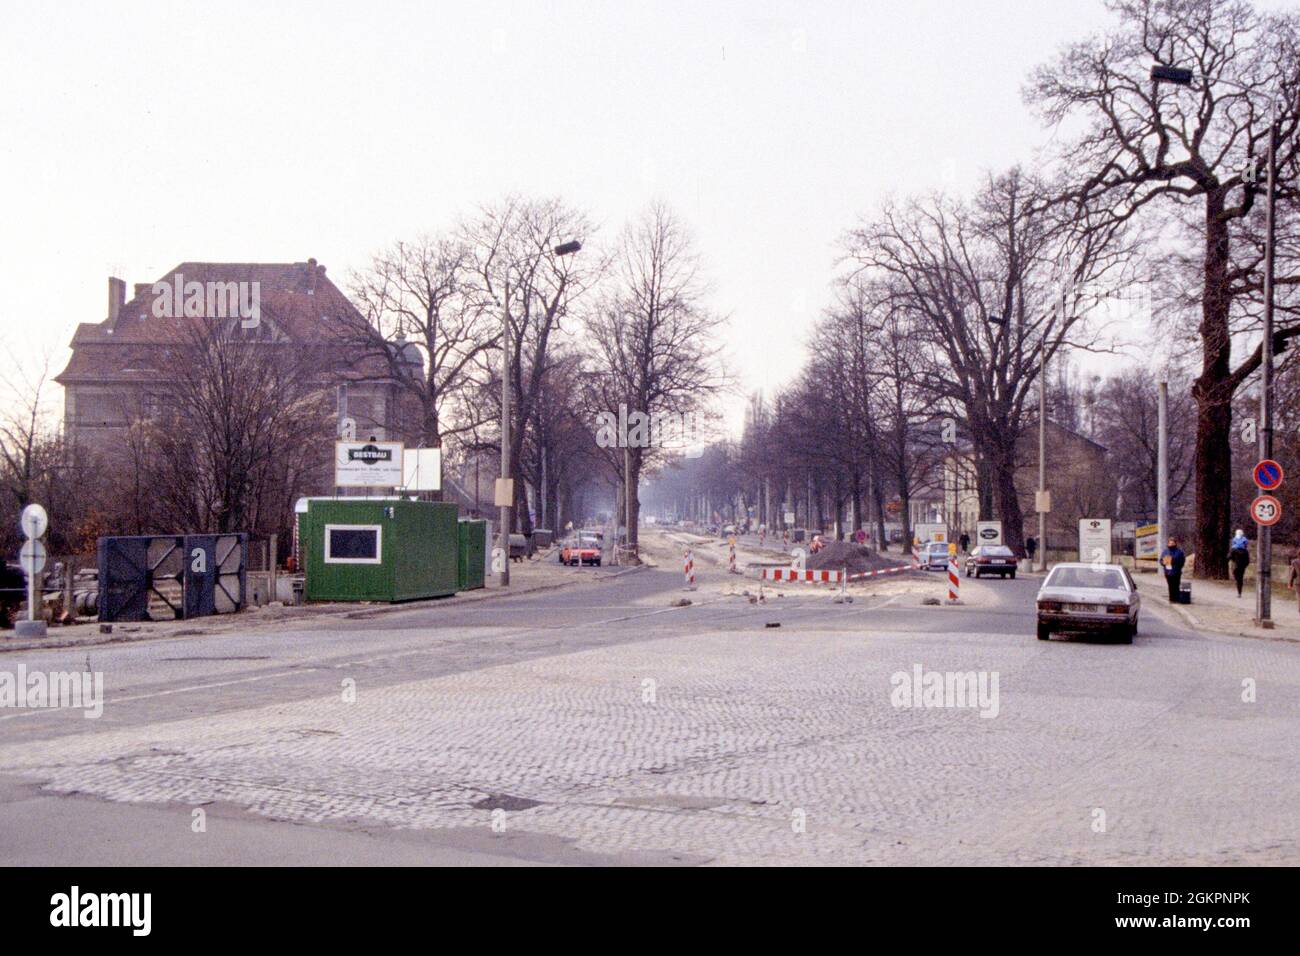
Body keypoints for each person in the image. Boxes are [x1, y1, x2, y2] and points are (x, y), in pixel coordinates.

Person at [1160, 536, 1186, 603]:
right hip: (1168, 571)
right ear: (1168, 544)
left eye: (1172, 543)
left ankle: (1176, 598)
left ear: (1175, 544)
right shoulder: (1165, 552)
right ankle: (1171, 599)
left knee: (1176, 585)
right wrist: (1163, 563)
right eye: (1170, 543)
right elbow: (1161, 560)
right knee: (1170, 585)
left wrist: (1175, 562)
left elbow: (1182, 561)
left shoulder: (1179, 552)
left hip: (1176, 571)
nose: (1171, 544)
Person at [1227, 529, 1250, 598]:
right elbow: (1247, 560)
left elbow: (1229, 557)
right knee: (1240, 578)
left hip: (1235, 565)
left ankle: (1238, 588)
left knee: (1236, 575)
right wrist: (1245, 565)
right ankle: (1239, 592)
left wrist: (1230, 559)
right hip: (1242, 566)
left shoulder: (1233, 549)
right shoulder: (1245, 551)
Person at [1289, 548, 1300, 613]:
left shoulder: (1295, 562)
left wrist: (1290, 583)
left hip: (1298, 582)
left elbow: (1292, 574)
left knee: (1299, 596)